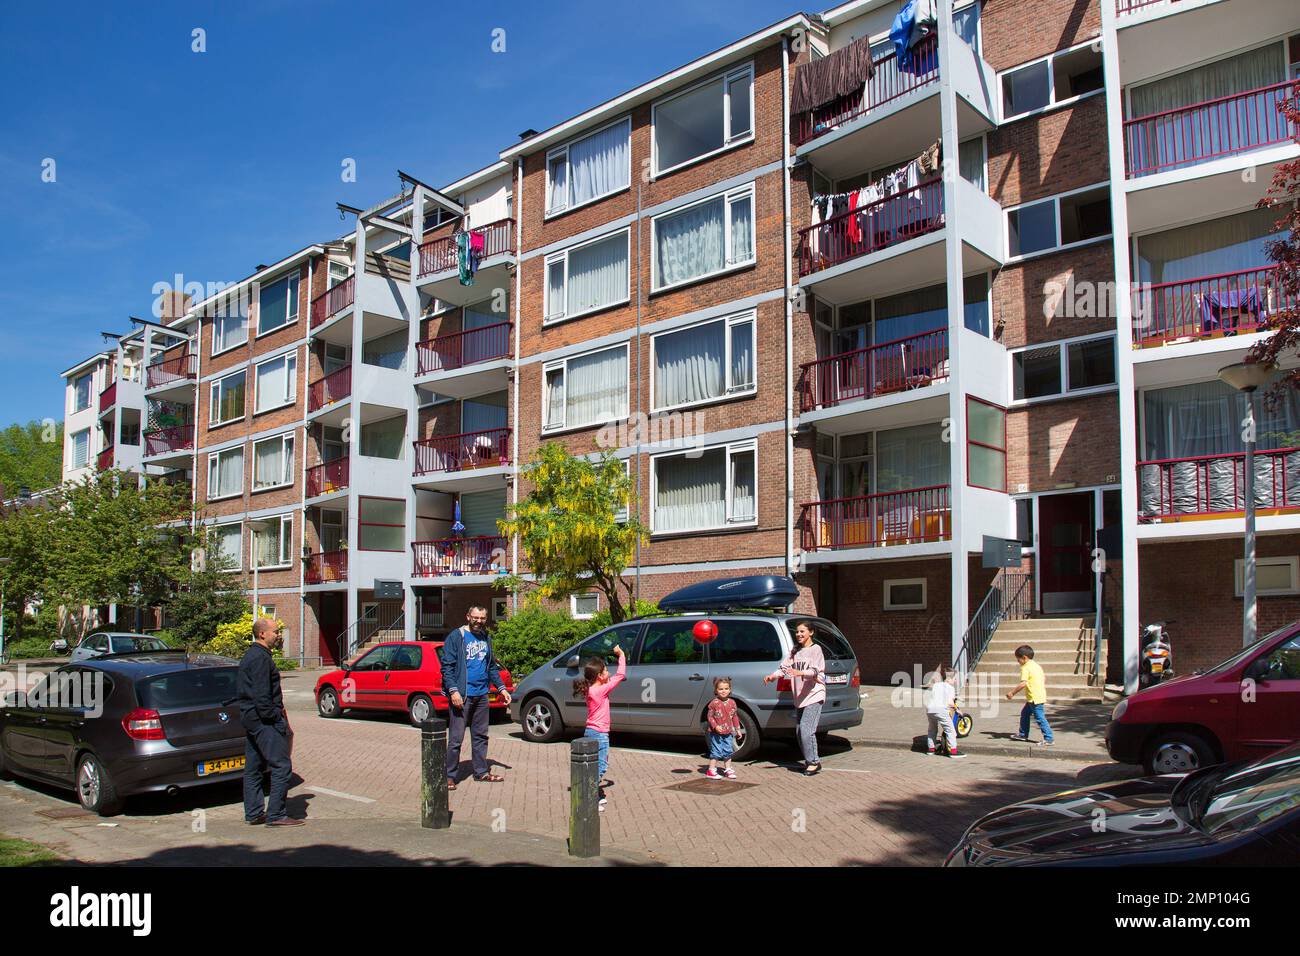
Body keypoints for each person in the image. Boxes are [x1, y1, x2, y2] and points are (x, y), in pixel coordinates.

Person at [237, 617, 302, 826]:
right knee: (281, 766)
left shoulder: (253, 655)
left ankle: (254, 813)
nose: (278, 635)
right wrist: (274, 717)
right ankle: (276, 815)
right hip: (264, 721)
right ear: (262, 634)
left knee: (254, 767)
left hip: (252, 718)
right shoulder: (260, 658)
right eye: (275, 632)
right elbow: (262, 694)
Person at [440, 605, 512, 788]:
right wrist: (453, 691)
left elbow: (491, 666)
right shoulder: (457, 637)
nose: (478, 621)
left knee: (481, 736)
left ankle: (481, 772)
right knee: (456, 738)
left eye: (482, 618)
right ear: (468, 616)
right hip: (462, 695)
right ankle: (449, 776)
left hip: (481, 694)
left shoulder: (485, 637)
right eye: (475, 617)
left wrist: (502, 689)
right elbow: (447, 667)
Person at [764, 621, 826, 775]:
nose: (798, 634)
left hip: (814, 693)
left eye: (802, 631)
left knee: (806, 730)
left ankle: (814, 762)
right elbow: (784, 668)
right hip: (800, 697)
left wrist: (801, 673)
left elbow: (816, 671)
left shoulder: (816, 649)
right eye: (797, 632)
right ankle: (810, 760)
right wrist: (772, 676)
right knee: (799, 732)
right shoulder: (795, 651)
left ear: (811, 632)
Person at [574, 643, 626, 811]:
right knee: (601, 766)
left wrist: (605, 677)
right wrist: (621, 655)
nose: (608, 673)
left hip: (590, 731)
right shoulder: (601, 691)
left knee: (592, 765)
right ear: (599, 676)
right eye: (605, 671)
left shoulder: (591, 689)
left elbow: (610, 678)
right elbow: (620, 675)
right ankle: (589, 798)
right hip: (600, 734)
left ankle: (594, 793)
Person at [1006, 644, 1054, 746]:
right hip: (1037, 695)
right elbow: (1043, 678)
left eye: (1018, 659)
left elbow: (1023, 683)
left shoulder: (1025, 667)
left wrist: (1012, 693)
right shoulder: (1036, 665)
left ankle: (1049, 738)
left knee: (1040, 718)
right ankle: (1023, 734)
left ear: (1024, 658)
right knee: (1025, 713)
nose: (1018, 662)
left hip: (1034, 698)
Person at [924, 663, 964, 758]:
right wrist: (957, 710)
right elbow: (950, 703)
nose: (955, 681)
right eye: (954, 679)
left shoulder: (936, 685)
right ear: (949, 679)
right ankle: (953, 751)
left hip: (930, 709)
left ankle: (931, 749)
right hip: (940, 709)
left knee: (932, 729)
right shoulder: (950, 688)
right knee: (950, 730)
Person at [705, 677, 741, 779]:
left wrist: (738, 729)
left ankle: (728, 769)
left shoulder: (732, 702)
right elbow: (710, 716)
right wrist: (715, 726)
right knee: (716, 751)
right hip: (716, 733)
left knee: (728, 751)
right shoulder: (714, 703)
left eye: (726, 688)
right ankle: (711, 770)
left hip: (728, 732)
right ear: (716, 690)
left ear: (730, 689)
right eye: (721, 689)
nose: (723, 691)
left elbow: (734, 716)